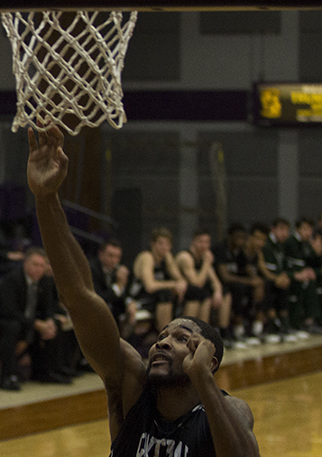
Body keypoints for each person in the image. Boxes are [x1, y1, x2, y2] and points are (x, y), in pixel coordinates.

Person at [26, 125, 259, 457]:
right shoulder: (132, 386)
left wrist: (203, 380)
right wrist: (46, 198)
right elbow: (79, 297)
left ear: (210, 359)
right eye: (164, 334)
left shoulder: (230, 410)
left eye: (182, 339)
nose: (162, 341)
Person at [0, 247, 76, 390]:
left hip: (21, 322)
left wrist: (48, 321)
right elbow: (9, 311)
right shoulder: (12, 280)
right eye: (35, 265)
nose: (39, 269)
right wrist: (36, 324)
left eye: (42, 266)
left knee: (55, 324)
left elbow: (47, 308)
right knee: (13, 327)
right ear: (25, 264)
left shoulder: (45, 281)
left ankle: (46, 371)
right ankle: (6, 377)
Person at [214, 224, 263, 345]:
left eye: (243, 238)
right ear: (230, 237)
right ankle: (232, 330)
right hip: (219, 286)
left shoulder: (239, 251)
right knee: (239, 288)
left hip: (236, 285)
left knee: (259, 286)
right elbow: (225, 277)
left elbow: (247, 269)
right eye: (238, 237)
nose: (241, 241)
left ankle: (251, 328)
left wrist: (255, 280)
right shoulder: (220, 249)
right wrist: (249, 281)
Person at [132, 227, 188, 334]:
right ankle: (165, 335)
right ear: (152, 244)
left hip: (155, 298)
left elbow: (180, 279)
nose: (164, 247)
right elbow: (150, 286)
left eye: (167, 244)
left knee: (192, 292)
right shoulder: (147, 257)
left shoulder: (166, 258)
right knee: (165, 293)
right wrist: (174, 284)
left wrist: (180, 285)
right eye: (160, 244)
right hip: (138, 298)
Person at [90, 238, 139, 333]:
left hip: (113, 312)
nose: (114, 260)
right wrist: (119, 285)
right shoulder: (92, 270)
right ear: (101, 254)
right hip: (94, 311)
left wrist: (129, 303)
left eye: (118, 257)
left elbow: (125, 294)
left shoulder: (118, 269)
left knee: (132, 315)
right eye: (110, 256)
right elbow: (99, 298)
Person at [175, 230, 223, 323]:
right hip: (179, 293)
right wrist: (206, 263)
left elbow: (215, 281)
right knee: (197, 292)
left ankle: (214, 331)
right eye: (200, 242)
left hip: (195, 292)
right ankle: (187, 330)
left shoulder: (203, 256)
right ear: (193, 241)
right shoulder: (186, 257)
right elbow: (197, 283)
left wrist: (218, 291)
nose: (203, 245)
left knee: (220, 293)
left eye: (206, 242)